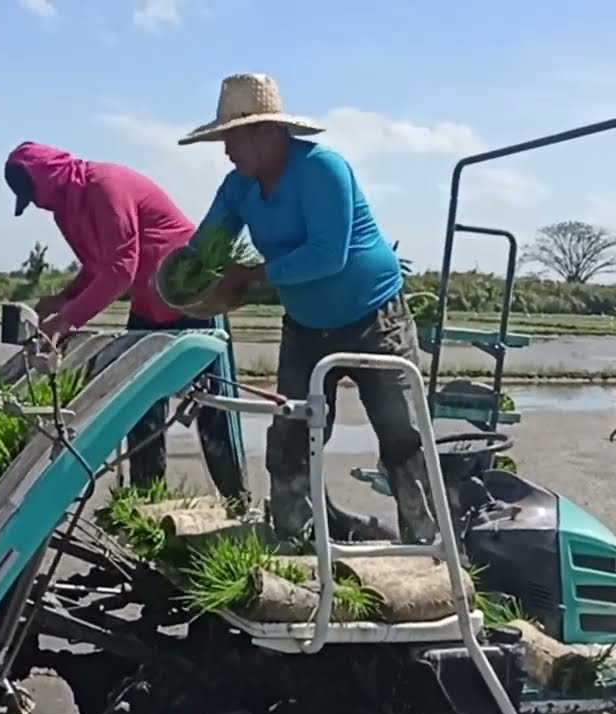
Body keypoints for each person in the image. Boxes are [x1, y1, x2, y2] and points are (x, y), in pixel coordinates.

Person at [176, 73, 439, 544]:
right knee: (293, 432)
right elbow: (207, 241)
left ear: (268, 132)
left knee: (401, 435)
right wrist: (184, 276)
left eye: (232, 138)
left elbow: (327, 254)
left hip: (375, 317)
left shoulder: (322, 169)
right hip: (306, 326)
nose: (226, 151)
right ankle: (293, 539)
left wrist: (248, 277)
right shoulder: (239, 186)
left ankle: (427, 548)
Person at [4, 141, 246, 502]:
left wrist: (65, 321)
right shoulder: (65, 209)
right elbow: (96, 266)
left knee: (215, 408)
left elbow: (120, 270)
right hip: (148, 307)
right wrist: (64, 298)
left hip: (189, 298)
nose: (38, 203)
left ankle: (238, 503)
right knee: (141, 405)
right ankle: (147, 501)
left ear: (50, 175)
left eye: (35, 193)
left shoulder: (105, 186)